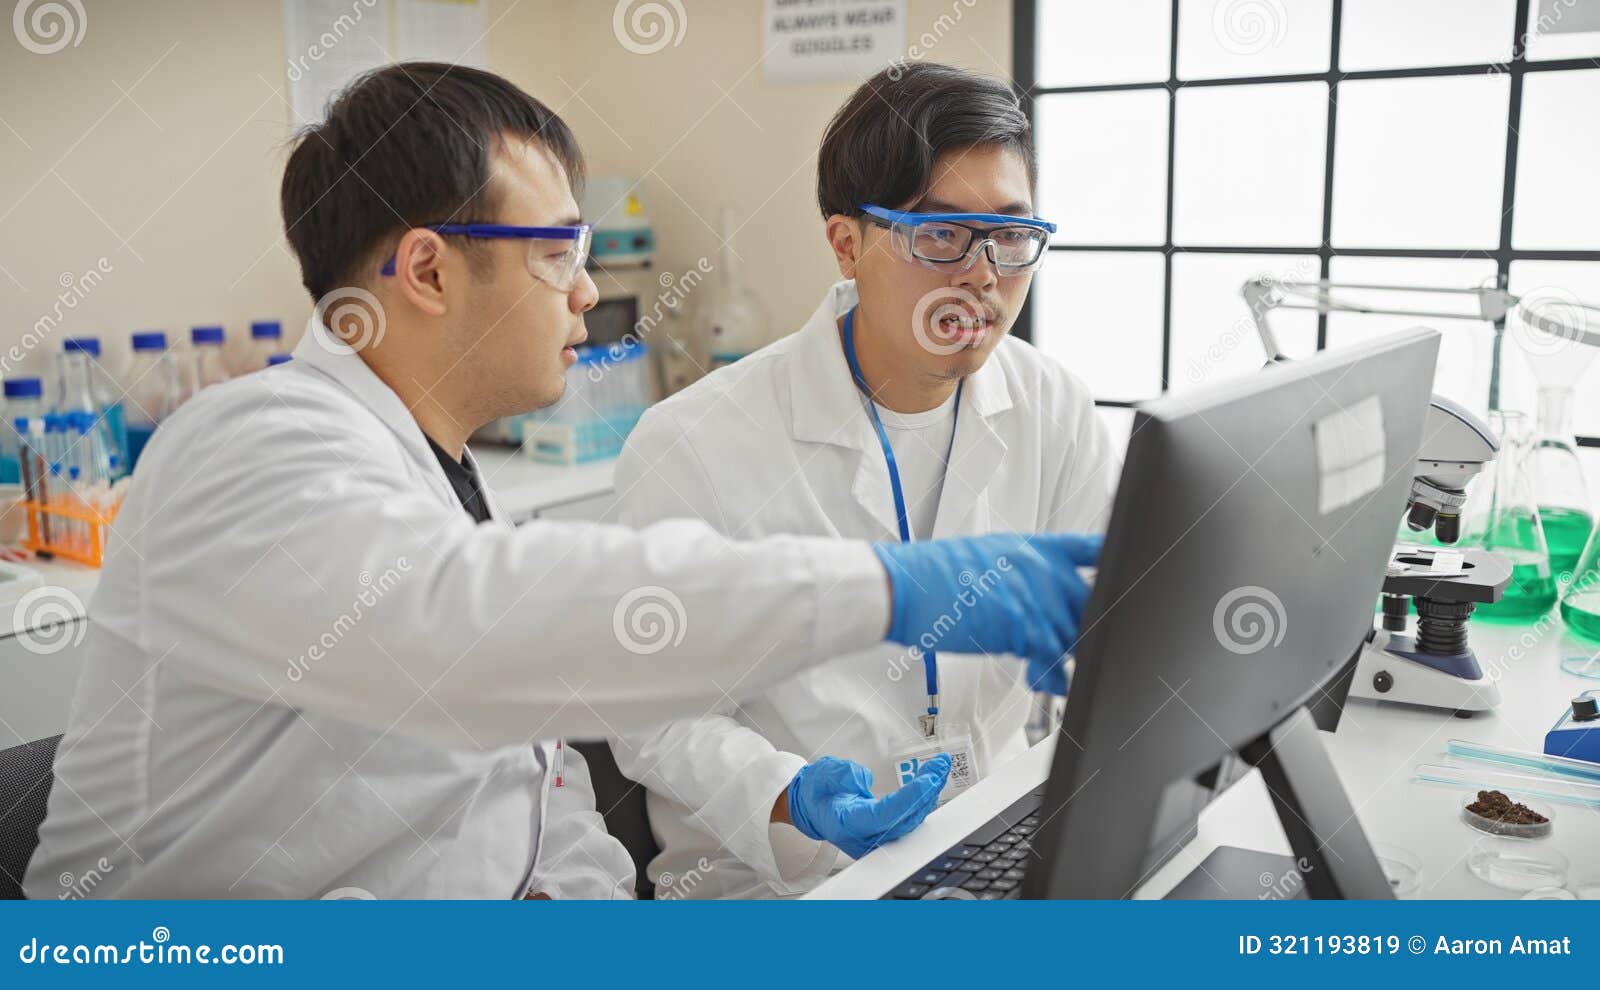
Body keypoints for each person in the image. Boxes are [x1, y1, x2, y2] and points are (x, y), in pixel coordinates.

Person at [22, 63, 1099, 900]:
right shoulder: (249, 446)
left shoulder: (433, 472)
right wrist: (890, 587)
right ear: (431, 270)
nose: (587, 292)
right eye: (555, 253)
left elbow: (544, 804)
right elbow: (476, 626)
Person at [610, 63, 1119, 899]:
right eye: (942, 236)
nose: (986, 276)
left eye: (1012, 236)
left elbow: (1100, 621)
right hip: (778, 889)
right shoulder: (692, 442)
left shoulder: (1051, 405)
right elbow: (650, 711)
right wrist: (789, 798)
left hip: (980, 845)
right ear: (847, 244)